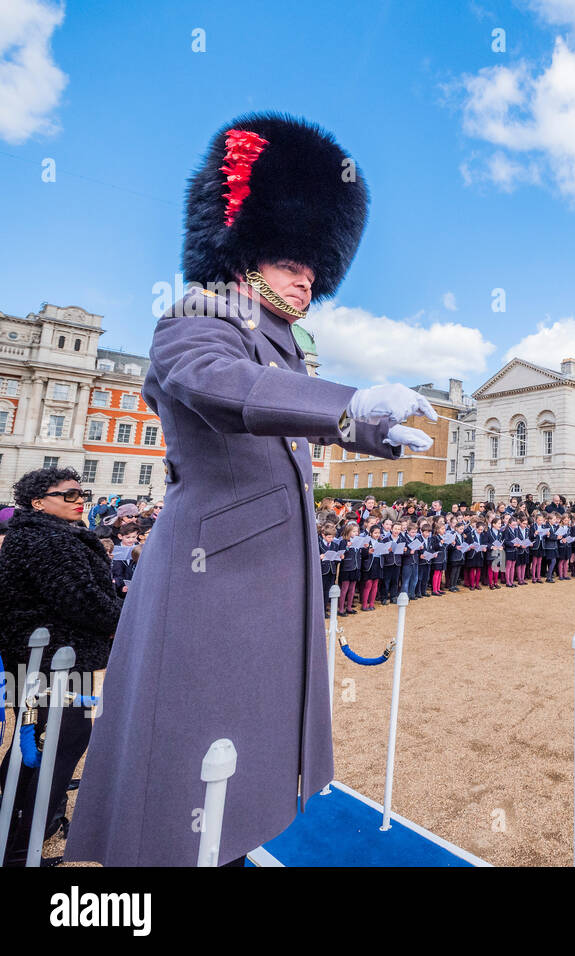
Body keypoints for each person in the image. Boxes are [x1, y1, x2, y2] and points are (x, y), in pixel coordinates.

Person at [66, 114, 437, 868]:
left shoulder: (277, 340)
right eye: (293, 259)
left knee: (237, 770)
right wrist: (348, 402)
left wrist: (371, 432)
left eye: (314, 266)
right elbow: (227, 387)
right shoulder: (199, 316)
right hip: (216, 579)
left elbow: (280, 414)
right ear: (245, 256)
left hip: (260, 578)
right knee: (193, 771)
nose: (309, 278)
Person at [0, 467, 121, 866]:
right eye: (67, 494)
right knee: (55, 743)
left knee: (34, 742)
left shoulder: (42, 535)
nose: (78, 498)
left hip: (48, 657)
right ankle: (20, 848)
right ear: (38, 502)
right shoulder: (48, 540)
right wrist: (125, 620)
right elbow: (82, 598)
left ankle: (19, 826)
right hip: (51, 660)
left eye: (80, 491)